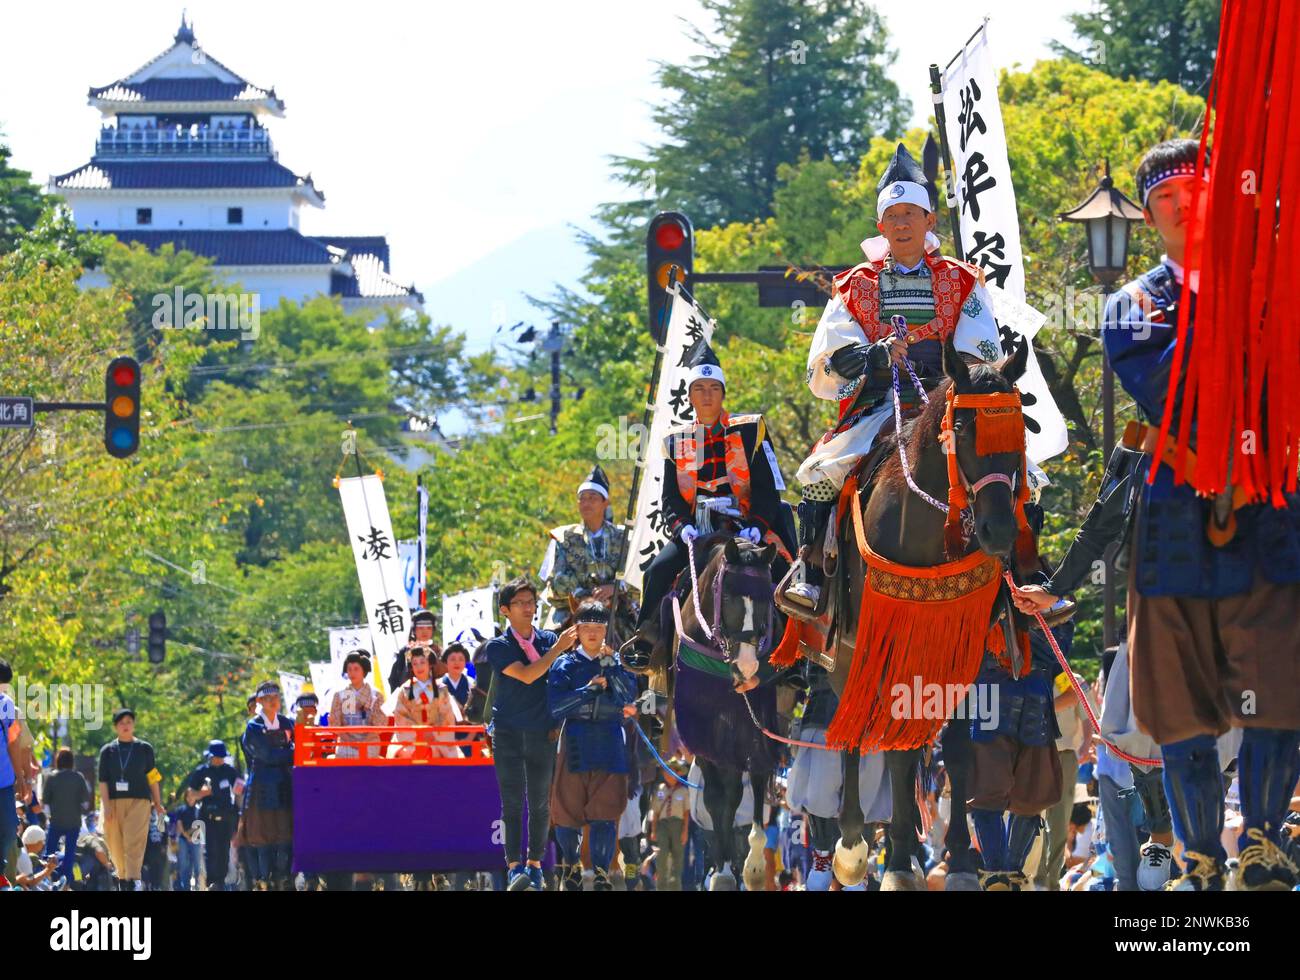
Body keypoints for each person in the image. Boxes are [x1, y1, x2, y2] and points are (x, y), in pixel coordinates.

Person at [1106, 139, 1297, 890]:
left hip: (1268, 503)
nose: (1184, 207)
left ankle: (1262, 840)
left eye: (1196, 192)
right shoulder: (1134, 305)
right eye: (1167, 200)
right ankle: (1198, 853)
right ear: (1151, 217)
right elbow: (1180, 392)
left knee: (1277, 681)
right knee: (1180, 704)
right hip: (1176, 509)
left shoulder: (1273, 289)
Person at [782, 143, 1003, 612]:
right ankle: (810, 575)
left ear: (930, 221)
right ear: (881, 225)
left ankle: (1023, 575)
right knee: (824, 471)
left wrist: (950, 372)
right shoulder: (855, 285)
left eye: (912, 213)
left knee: (1020, 471)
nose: (902, 223)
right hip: (880, 404)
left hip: (948, 405)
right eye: (893, 215)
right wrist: (873, 355)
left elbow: (983, 350)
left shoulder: (963, 281)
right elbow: (826, 361)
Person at [628, 339, 795, 658]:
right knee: (657, 571)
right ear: (689, 396)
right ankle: (646, 641)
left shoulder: (750, 430)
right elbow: (670, 499)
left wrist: (757, 527)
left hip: (745, 526)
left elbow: (766, 488)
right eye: (699, 388)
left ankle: (796, 651)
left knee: (781, 571)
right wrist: (682, 528)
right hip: (697, 531)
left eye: (714, 388)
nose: (706, 395)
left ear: (723, 393)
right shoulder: (674, 441)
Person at [480, 576, 578, 890]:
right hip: (507, 734)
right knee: (511, 803)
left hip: (542, 733)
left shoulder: (548, 638)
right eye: (520, 603)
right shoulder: (498, 646)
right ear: (505, 610)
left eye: (531, 602)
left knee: (539, 803)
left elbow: (564, 675)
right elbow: (527, 675)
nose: (527, 607)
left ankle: (534, 866)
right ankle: (513, 867)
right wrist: (558, 649)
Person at [547, 600, 638, 891]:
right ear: (577, 630)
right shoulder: (564, 663)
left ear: (605, 631)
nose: (592, 633)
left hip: (609, 738)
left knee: (606, 812)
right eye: (586, 627)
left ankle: (600, 873)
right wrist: (589, 690)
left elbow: (626, 697)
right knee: (567, 812)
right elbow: (557, 707)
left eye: (598, 628)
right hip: (575, 737)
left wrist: (611, 668)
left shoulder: (615, 662)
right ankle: (571, 867)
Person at [538, 463, 638, 631]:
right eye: (582, 498)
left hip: (617, 611)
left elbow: (637, 575)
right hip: (573, 610)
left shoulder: (625, 537)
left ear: (605, 502)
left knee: (647, 642)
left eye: (592, 498)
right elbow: (556, 578)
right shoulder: (564, 537)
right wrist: (582, 596)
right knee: (548, 643)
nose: (586, 503)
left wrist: (616, 587)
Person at [97, 708, 165, 891]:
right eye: (121, 723)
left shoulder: (144, 749)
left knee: (132, 838)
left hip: (140, 801)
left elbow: (153, 777)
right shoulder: (108, 751)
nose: (125, 726)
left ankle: (133, 878)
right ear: (115, 727)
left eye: (129, 722)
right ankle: (124, 880)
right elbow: (103, 782)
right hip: (113, 803)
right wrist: (106, 806)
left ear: (133, 725)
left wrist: (157, 803)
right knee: (116, 844)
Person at [242, 681, 295, 890]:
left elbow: (292, 748)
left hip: (285, 784)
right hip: (262, 787)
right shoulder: (253, 726)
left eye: (275, 697)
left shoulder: (287, 723)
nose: (273, 701)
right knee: (264, 838)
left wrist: (289, 751)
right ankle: (265, 880)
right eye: (267, 698)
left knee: (286, 835)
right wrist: (291, 751)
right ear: (260, 702)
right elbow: (267, 755)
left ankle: (285, 878)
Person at [186, 739, 241, 891]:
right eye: (216, 756)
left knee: (224, 850)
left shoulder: (230, 771)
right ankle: (211, 882)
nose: (219, 759)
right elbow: (190, 797)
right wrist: (202, 793)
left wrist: (238, 810)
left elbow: (239, 791)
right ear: (210, 757)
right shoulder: (201, 772)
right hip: (207, 818)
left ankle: (220, 882)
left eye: (221, 756)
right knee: (210, 851)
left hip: (226, 818)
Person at [390, 646, 460, 761]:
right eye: (415, 663)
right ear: (411, 667)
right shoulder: (405, 690)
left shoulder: (441, 689)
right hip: (410, 741)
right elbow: (400, 716)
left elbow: (447, 716)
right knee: (405, 755)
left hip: (437, 739)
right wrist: (419, 734)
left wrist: (432, 733)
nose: (419, 667)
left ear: (430, 664)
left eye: (422, 662)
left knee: (438, 753)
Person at [42, 747, 90, 884]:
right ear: (71, 761)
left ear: (58, 761)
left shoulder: (51, 777)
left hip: (56, 821)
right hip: (74, 822)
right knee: (69, 854)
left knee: (49, 851)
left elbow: (45, 803)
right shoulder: (78, 777)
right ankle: (66, 881)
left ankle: (47, 878)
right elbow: (86, 803)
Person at [330, 652, 386, 759]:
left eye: (356, 669)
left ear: (363, 670)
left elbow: (380, 723)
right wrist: (350, 741)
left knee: (367, 757)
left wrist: (364, 742)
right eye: (349, 669)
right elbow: (335, 722)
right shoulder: (340, 694)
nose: (352, 673)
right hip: (345, 741)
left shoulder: (375, 695)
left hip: (370, 741)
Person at [648, 763, 691, 891]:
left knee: (678, 856)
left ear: (678, 774)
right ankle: (661, 887)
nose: (669, 775)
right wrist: (653, 830)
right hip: (663, 825)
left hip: (678, 825)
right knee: (662, 854)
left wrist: (685, 831)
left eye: (672, 772)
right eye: (667, 772)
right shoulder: (660, 789)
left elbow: (686, 813)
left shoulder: (683, 791)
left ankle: (675, 886)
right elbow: (655, 811)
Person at [0, 663, 25, 883]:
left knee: (8, 830)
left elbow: (14, 743)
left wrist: (21, 778)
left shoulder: (6, 705)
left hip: (4, 782)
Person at [169, 796, 201, 891]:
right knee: (183, 863)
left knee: (197, 864)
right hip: (183, 839)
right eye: (188, 796)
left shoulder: (199, 809)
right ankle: (185, 887)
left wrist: (193, 837)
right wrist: (187, 836)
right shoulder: (180, 809)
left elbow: (201, 824)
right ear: (186, 798)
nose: (191, 798)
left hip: (196, 839)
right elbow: (179, 824)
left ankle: (198, 886)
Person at [14, 824, 61, 890]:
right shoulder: (24, 856)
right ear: (36, 842)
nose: (43, 845)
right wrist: (48, 870)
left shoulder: (21, 847)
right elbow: (31, 882)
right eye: (42, 842)